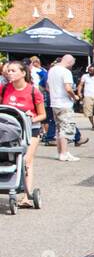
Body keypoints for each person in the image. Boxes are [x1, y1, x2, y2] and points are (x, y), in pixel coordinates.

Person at [1, 59, 46, 207]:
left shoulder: (33, 91)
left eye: (13, 70)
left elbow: (42, 115)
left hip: (30, 130)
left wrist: (31, 118)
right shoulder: (4, 88)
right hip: (9, 130)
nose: (9, 73)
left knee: (26, 160)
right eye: (8, 70)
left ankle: (27, 196)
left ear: (23, 73)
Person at [47, 54, 82, 162]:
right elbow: (68, 88)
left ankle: (60, 152)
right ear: (70, 62)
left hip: (54, 102)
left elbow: (47, 86)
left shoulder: (52, 70)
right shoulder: (66, 72)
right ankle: (64, 153)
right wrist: (74, 96)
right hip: (64, 104)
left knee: (59, 129)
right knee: (66, 128)